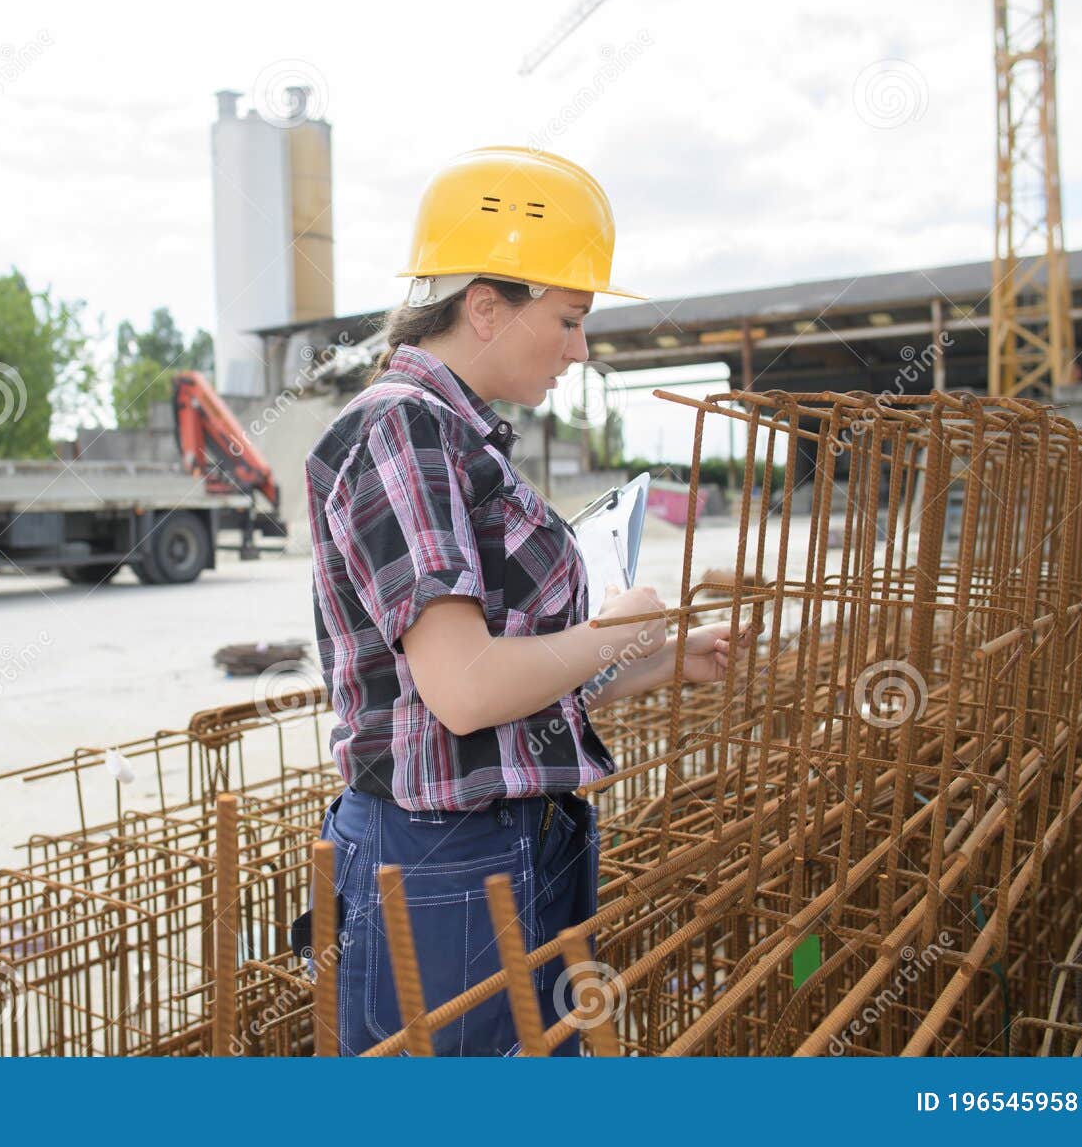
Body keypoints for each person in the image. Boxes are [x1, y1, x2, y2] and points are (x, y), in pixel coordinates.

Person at [299, 146, 750, 1055]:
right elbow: (463, 690)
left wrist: (653, 659)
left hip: (495, 845)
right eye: (572, 319)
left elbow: (502, 714)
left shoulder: (462, 440)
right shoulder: (401, 430)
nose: (582, 350)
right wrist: (610, 630)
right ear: (484, 306)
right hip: (439, 865)